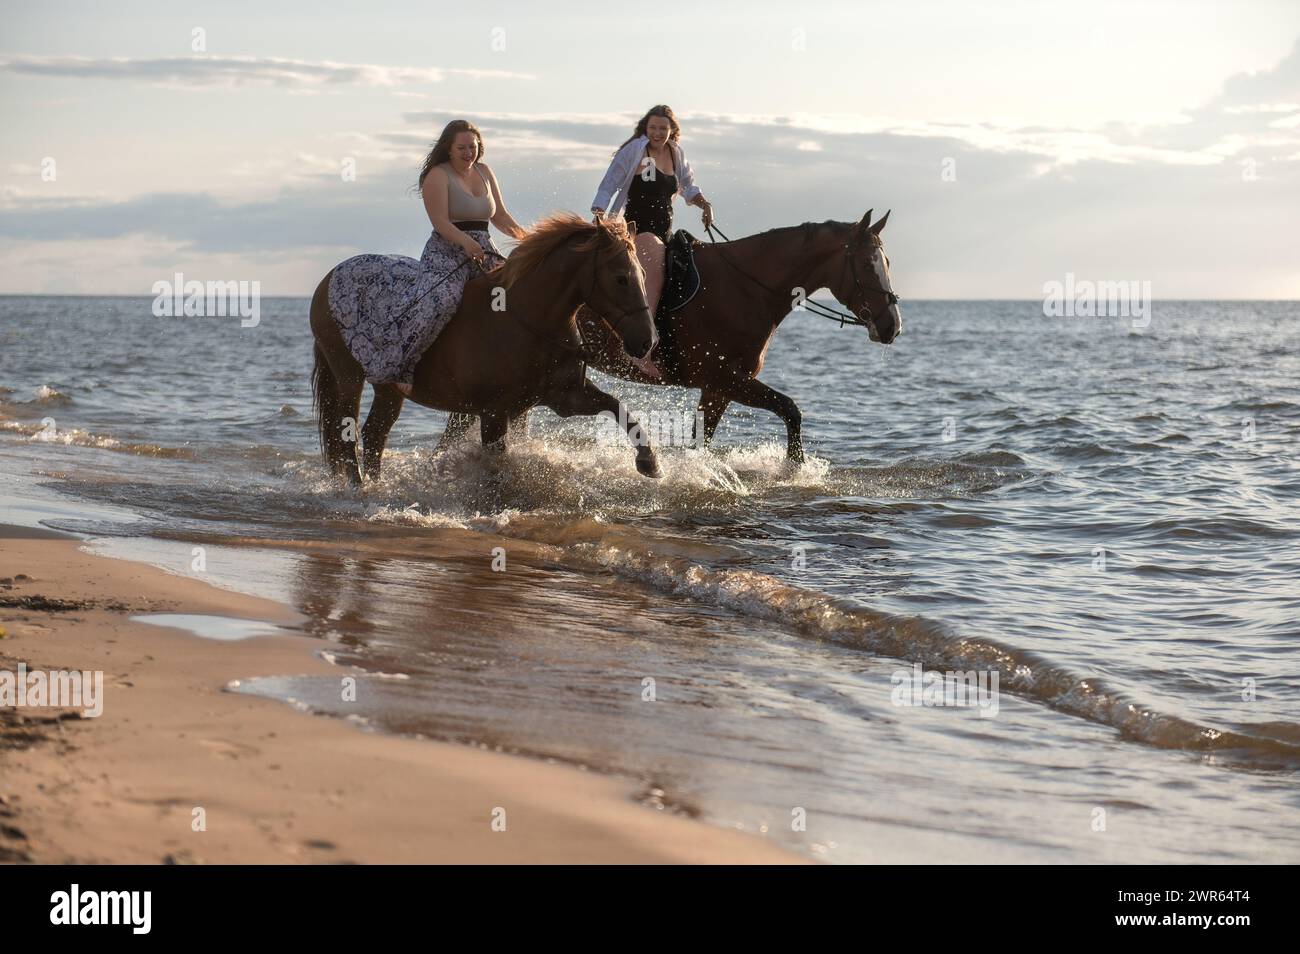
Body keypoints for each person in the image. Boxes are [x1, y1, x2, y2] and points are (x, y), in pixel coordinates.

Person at [328, 119, 527, 397]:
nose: (469, 152)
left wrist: (528, 239)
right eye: (462, 147)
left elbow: (500, 216)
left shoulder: (484, 172)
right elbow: (441, 223)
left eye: (473, 146)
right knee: (441, 301)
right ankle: (403, 367)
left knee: (516, 294)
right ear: (449, 149)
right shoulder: (438, 175)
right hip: (447, 250)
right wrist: (466, 242)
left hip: (484, 248)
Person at [590, 105, 713, 378]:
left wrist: (705, 205)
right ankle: (639, 350)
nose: (657, 133)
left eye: (663, 128)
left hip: (664, 232)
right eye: (653, 128)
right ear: (646, 128)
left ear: (672, 131)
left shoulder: (675, 153)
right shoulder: (636, 150)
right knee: (655, 267)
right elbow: (609, 183)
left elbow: (688, 187)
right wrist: (599, 213)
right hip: (637, 230)